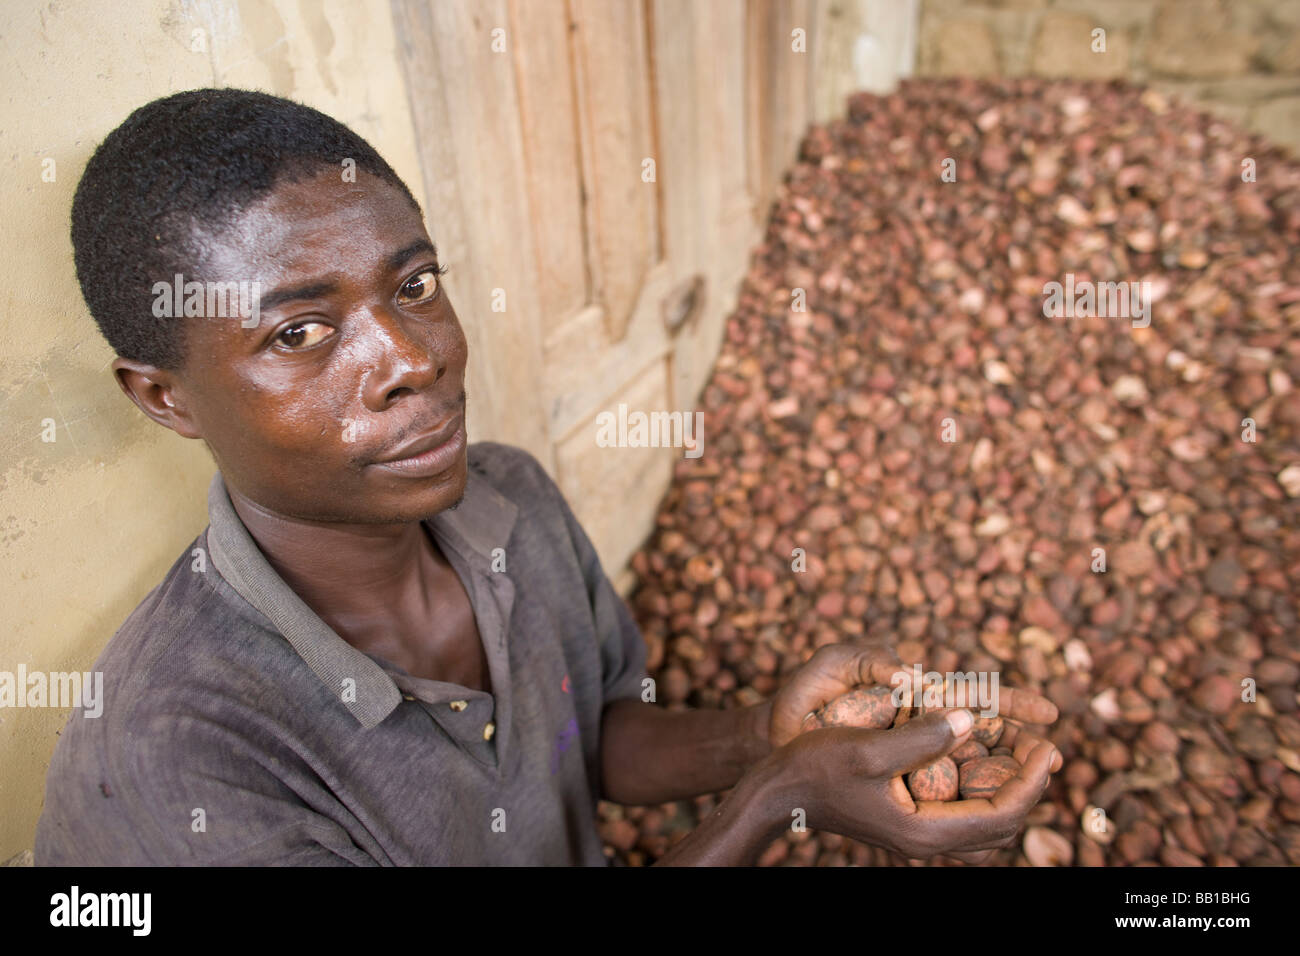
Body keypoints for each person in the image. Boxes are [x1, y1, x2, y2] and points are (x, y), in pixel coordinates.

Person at [36, 88, 1060, 866]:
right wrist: (771, 801)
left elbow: (592, 728)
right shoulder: (183, 759)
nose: (411, 358)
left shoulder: (507, 497)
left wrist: (763, 734)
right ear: (165, 398)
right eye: (300, 330)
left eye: (415, 284)